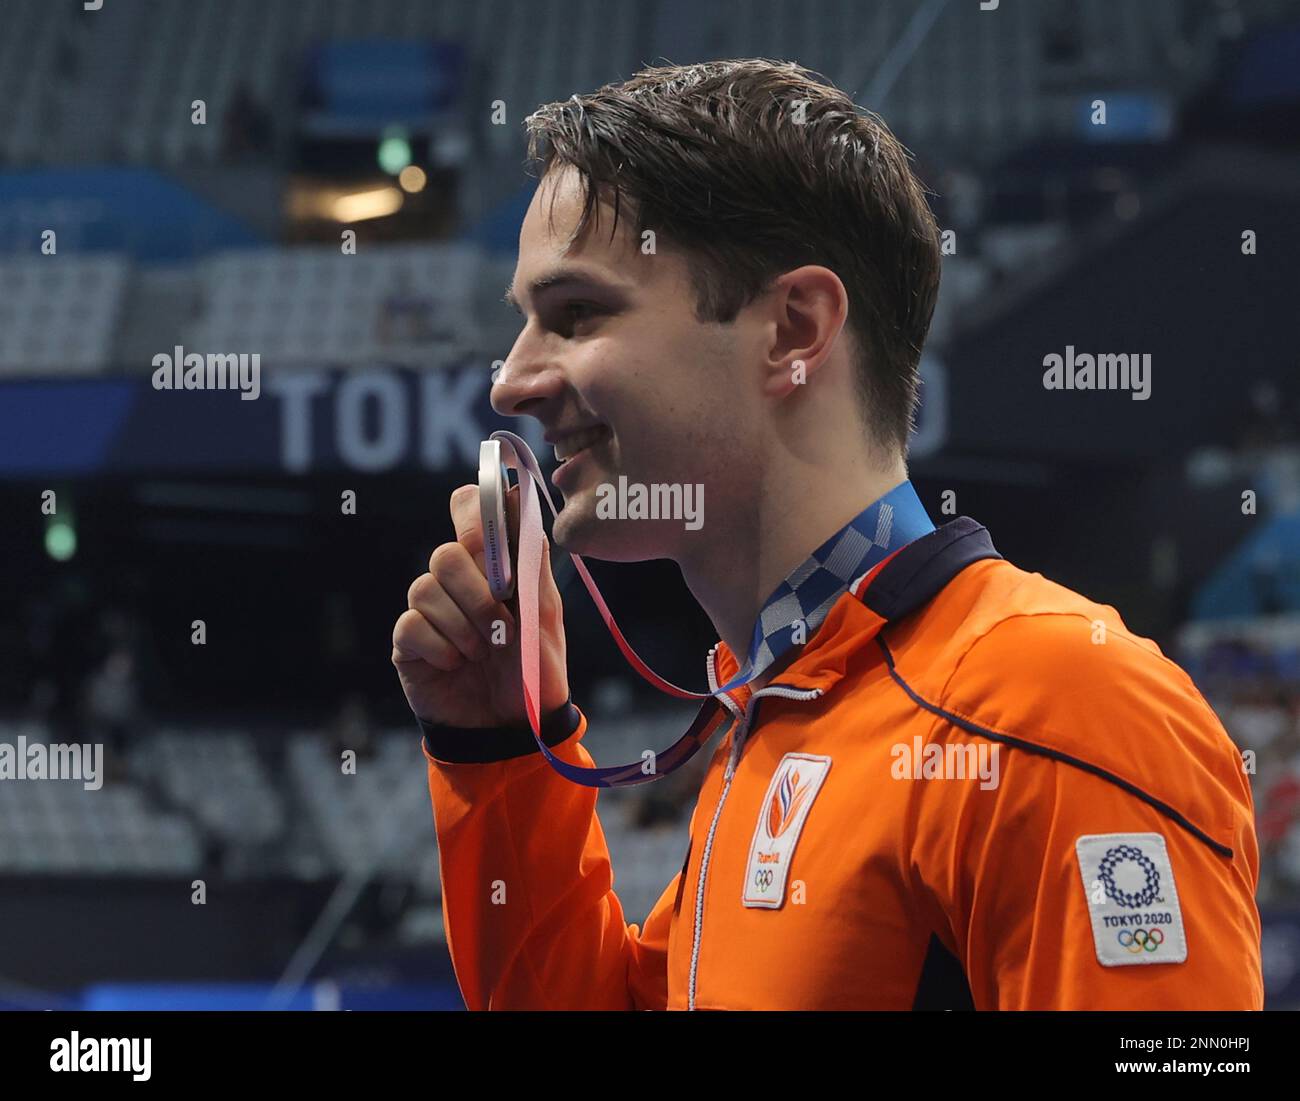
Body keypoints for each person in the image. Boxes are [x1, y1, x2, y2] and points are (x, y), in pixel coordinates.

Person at [391, 59, 1262, 1010]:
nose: (511, 382)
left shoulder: (1053, 703)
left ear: (794, 331)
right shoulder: (785, 711)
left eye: (576, 314)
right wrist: (503, 750)